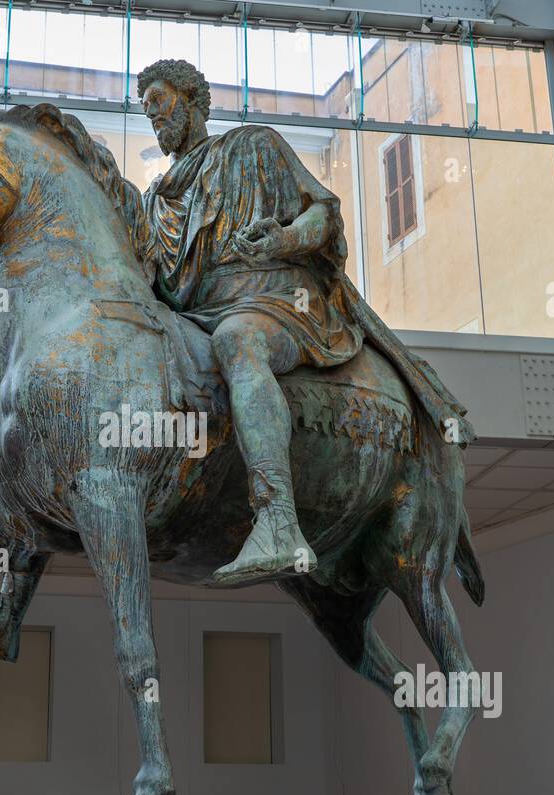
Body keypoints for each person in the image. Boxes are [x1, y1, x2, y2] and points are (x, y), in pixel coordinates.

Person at [132, 58, 474, 587]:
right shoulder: (156, 200)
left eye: (161, 100)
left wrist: (282, 239)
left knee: (238, 341)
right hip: (195, 316)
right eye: (146, 108)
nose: (152, 113)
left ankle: (277, 520)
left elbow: (322, 214)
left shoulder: (253, 147)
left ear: (193, 99)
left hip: (276, 302)